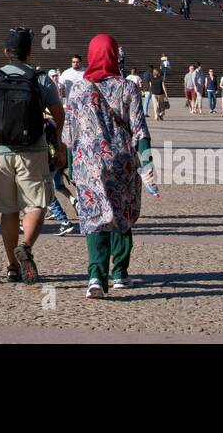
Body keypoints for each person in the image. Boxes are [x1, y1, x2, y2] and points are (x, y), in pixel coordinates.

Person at [0, 27, 66, 285]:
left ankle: (12, 266)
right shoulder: (41, 79)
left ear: (5, 52)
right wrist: (60, 143)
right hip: (33, 149)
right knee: (36, 204)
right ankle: (26, 248)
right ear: (29, 52)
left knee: (8, 209)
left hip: (0, 151)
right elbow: (59, 115)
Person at [63, 34, 153, 297]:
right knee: (122, 216)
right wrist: (147, 163)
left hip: (89, 165)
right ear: (114, 55)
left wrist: (72, 167)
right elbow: (140, 131)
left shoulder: (78, 89)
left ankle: (95, 278)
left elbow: (70, 134)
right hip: (122, 163)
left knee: (95, 218)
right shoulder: (128, 87)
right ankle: (120, 274)